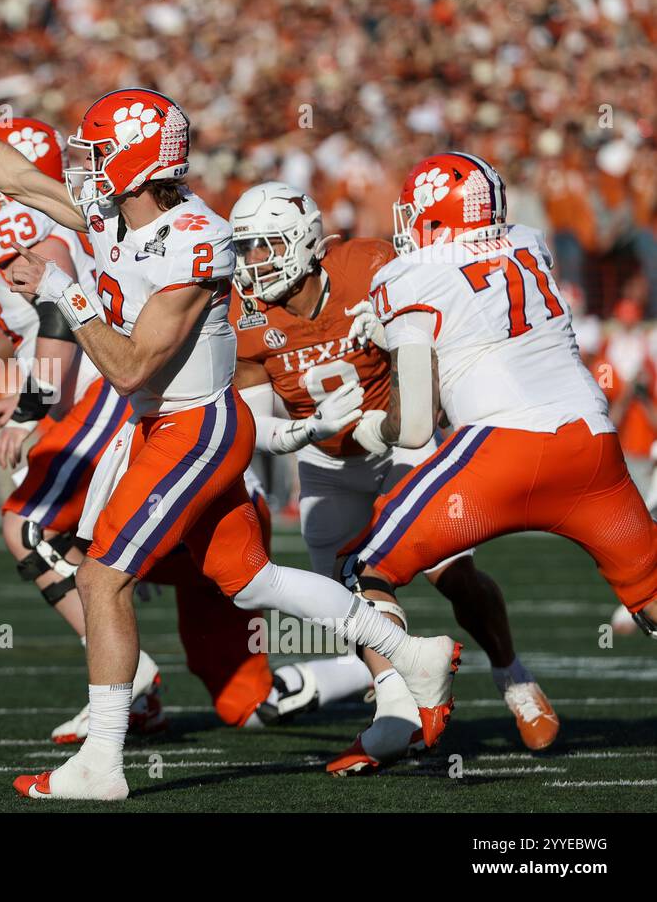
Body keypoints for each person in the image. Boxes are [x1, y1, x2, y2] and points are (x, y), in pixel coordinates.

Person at [0, 89, 461, 800]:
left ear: (141, 162)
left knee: (101, 574)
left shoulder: (196, 240)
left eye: (102, 152)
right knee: (252, 582)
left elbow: (129, 367)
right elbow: (18, 178)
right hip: (168, 424)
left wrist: (63, 288)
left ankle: (103, 762)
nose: (88, 166)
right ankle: (409, 652)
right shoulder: (114, 213)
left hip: (194, 428)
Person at [338, 151, 657, 772]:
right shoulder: (529, 241)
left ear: (433, 216)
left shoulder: (406, 275)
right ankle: (512, 680)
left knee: (366, 565)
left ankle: (416, 685)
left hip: (501, 453)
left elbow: (414, 422)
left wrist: (373, 410)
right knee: (650, 596)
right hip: (593, 447)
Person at [227, 181, 558, 759]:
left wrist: (391, 332)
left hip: (403, 443)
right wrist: (309, 431)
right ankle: (397, 709)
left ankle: (513, 674)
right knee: (349, 598)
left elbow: (435, 338)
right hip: (326, 462)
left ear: (306, 243)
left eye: (268, 245)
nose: (255, 262)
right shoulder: (244, 311)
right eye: (247, 247)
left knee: (452, 573)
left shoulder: (370, 265)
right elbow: (258, 428)